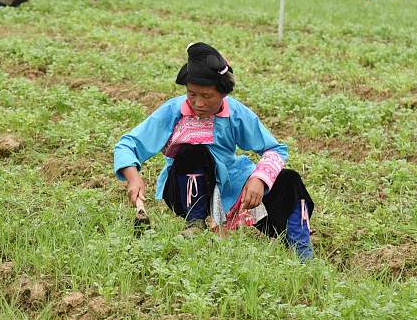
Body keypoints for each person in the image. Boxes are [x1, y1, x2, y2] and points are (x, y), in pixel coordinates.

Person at [113, 42, 314, 260]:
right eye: (191, 94)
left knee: (290, 182)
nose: (198, 103)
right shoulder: (173, 110)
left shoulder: (236, 113)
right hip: (184, 189)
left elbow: (275, 149)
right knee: (193, 148)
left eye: (206, 96)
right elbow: (128, 143)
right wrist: (133, 177)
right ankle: (195, 225)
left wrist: (259, 179)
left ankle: (301, 250)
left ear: (223, 93)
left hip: (232, 185)